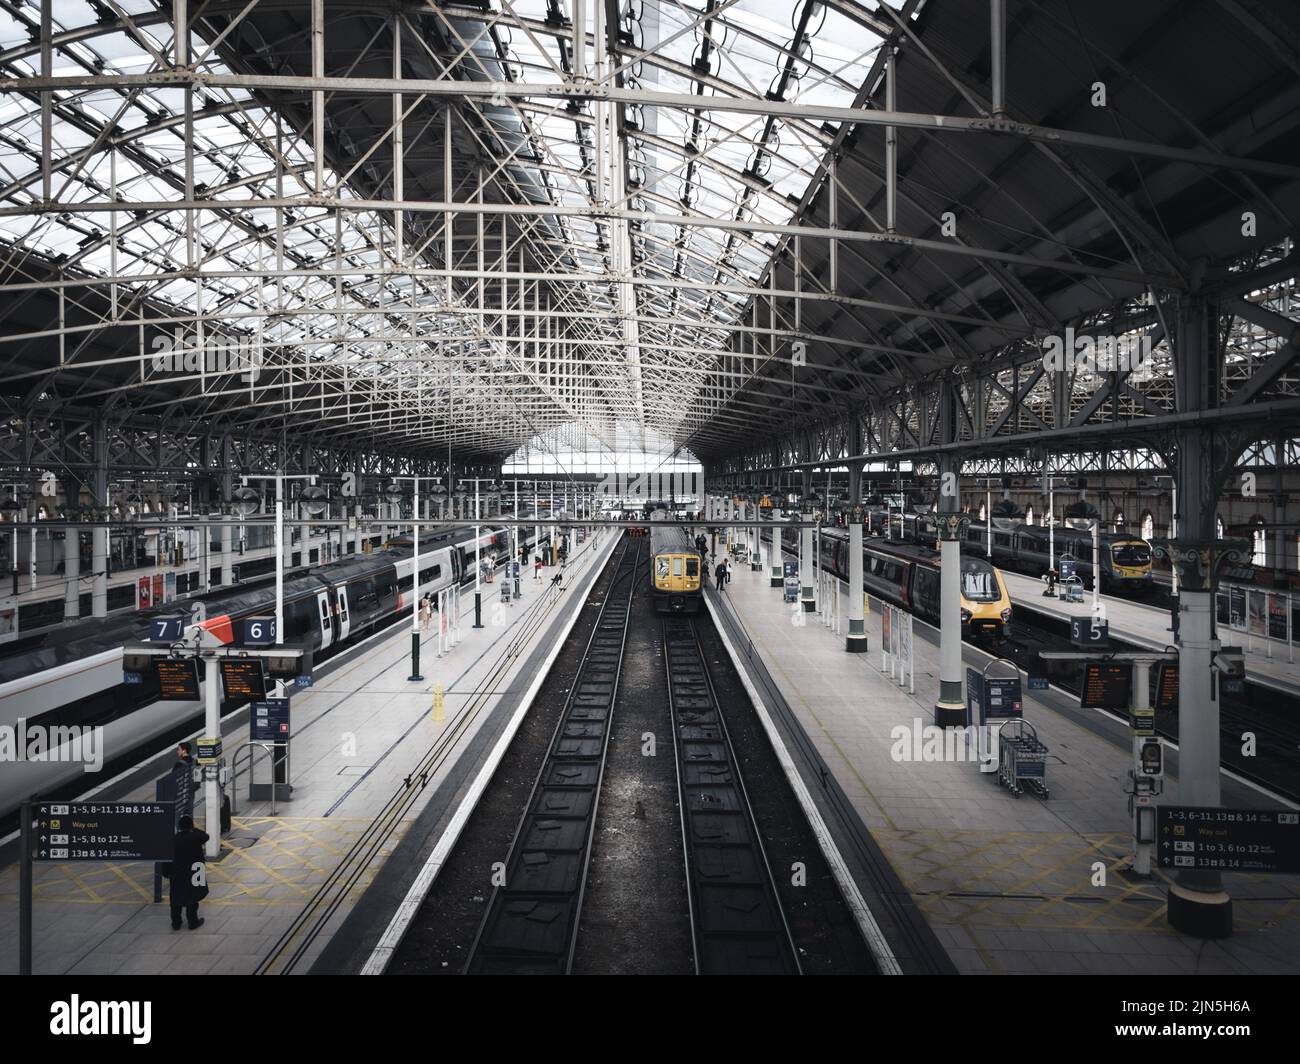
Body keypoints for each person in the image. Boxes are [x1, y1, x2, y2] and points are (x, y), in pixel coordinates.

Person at [167, 815, 210, 931]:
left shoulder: (173, 839)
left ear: (179, 826)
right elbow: (206, 836)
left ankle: (176, 923)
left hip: (177, 873)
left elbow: (167, 859)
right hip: (196, 870)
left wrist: (166, 873)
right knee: (193, 897)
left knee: (176, 898)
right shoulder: (195, 836)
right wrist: (194, 828)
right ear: (191, 825)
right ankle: (193, 922)